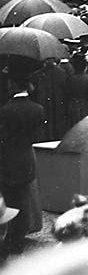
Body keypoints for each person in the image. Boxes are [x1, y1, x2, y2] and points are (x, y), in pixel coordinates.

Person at [0, 78, 45, 254]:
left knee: (9, 198)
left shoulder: (5, 110)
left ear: (13, 85)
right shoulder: (38, 109)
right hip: (26, 157)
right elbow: (36, 136)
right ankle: (20, 238)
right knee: (24, 199)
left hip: (7, 158)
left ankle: (10, 237)